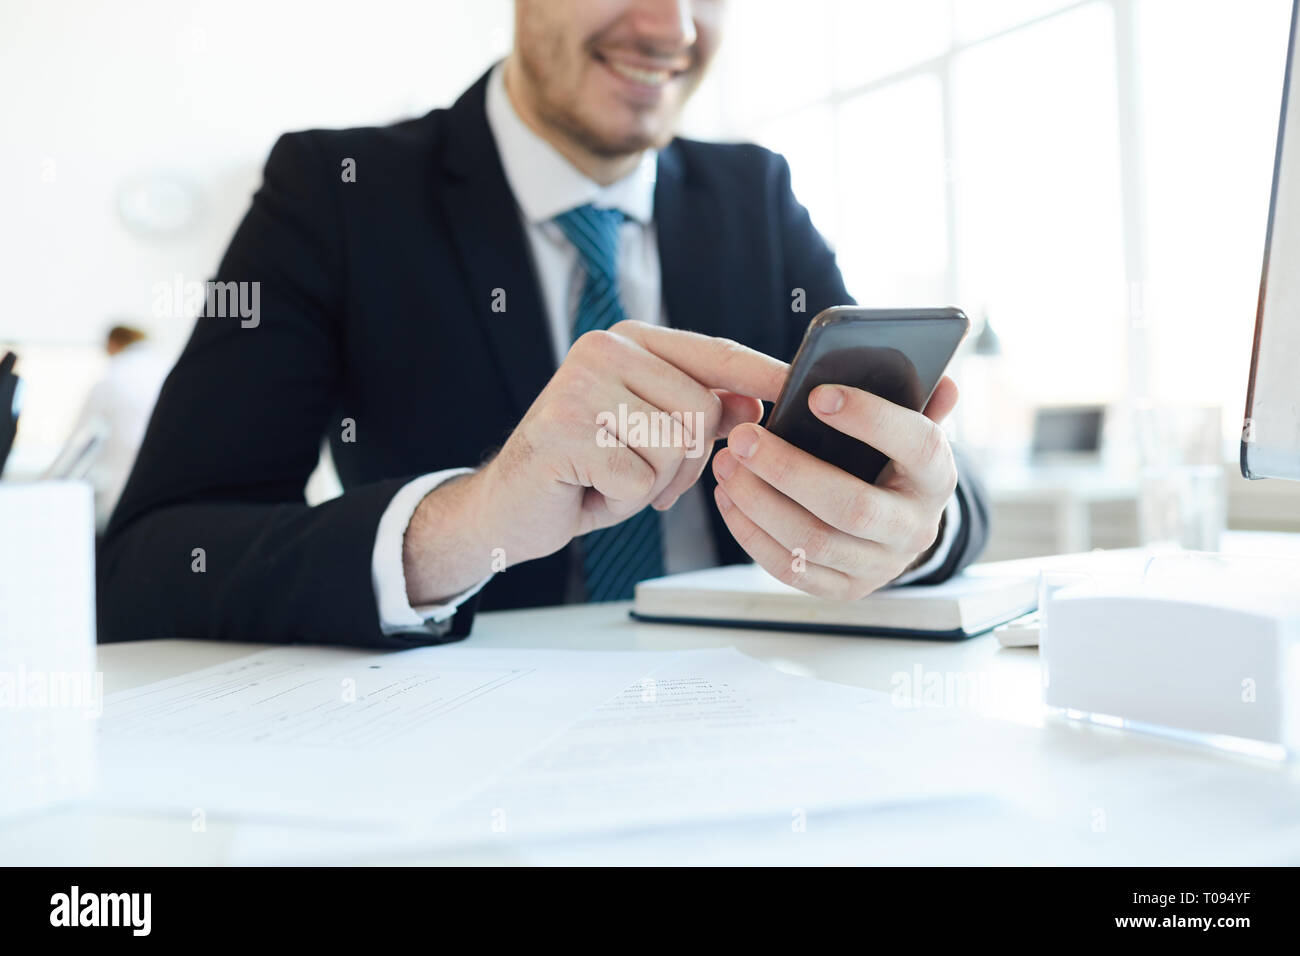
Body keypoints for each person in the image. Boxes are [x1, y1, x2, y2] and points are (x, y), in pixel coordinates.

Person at [99, 0, 989, 648]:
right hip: (461, 742)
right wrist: (469, 519)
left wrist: (909, 527)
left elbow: (929, 477)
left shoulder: (755, 192)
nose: (671, 27)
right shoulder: (332, 192)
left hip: (757, 706)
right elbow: (151, 561)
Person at [59, 324, 169, 532]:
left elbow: (79, 439)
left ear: (113, 343)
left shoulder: (115, 375)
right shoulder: (167, 367)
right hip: (164, 488)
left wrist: (51, 482)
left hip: (119, 487)